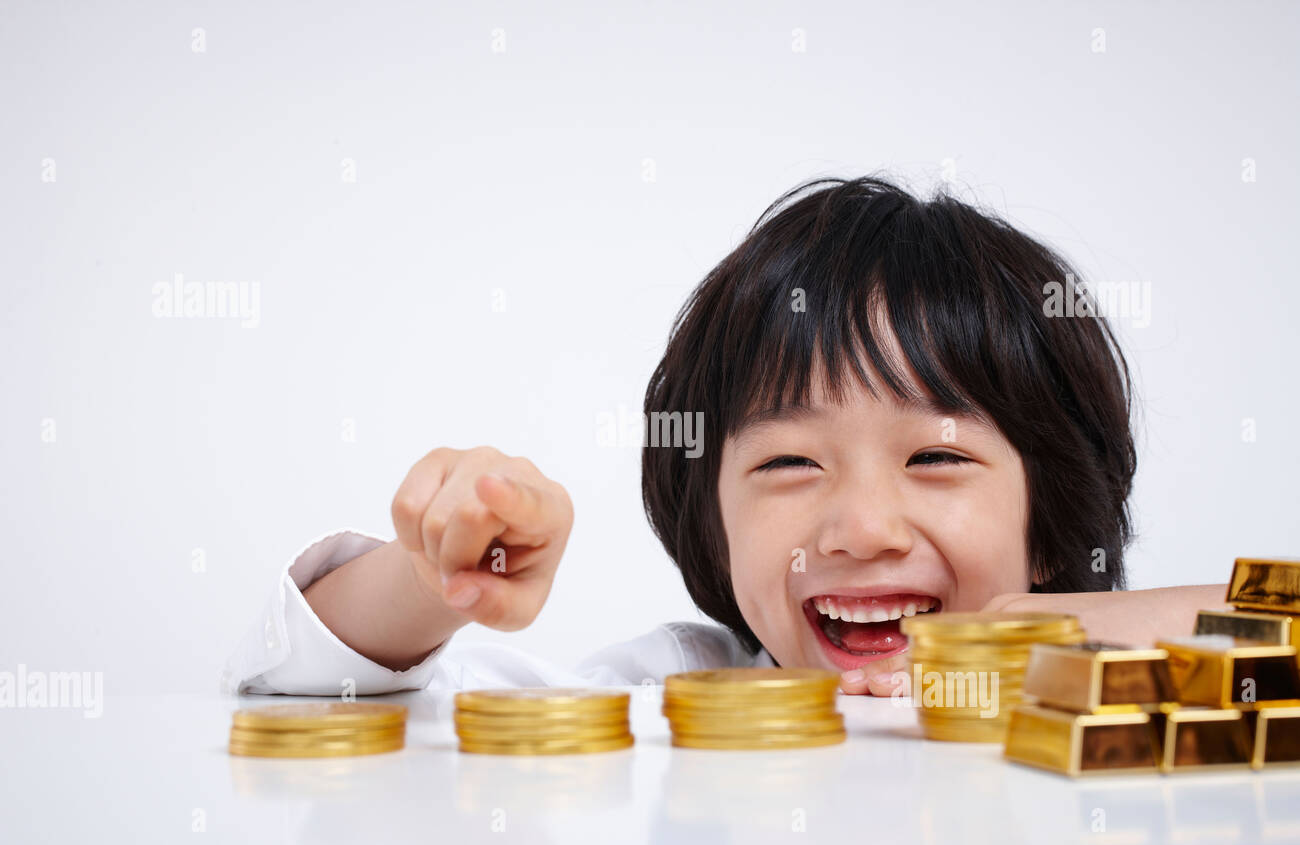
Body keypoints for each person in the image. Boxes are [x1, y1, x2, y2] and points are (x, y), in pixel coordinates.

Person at [222, 176, 1230, 700]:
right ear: (711, 516)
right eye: (789, 461)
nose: (859, 527)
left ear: (1049, 515)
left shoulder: (1115, 677)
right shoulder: (676, 687)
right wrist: (430, 573)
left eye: (935, 455)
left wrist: (1049, 634)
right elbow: (311, 693)